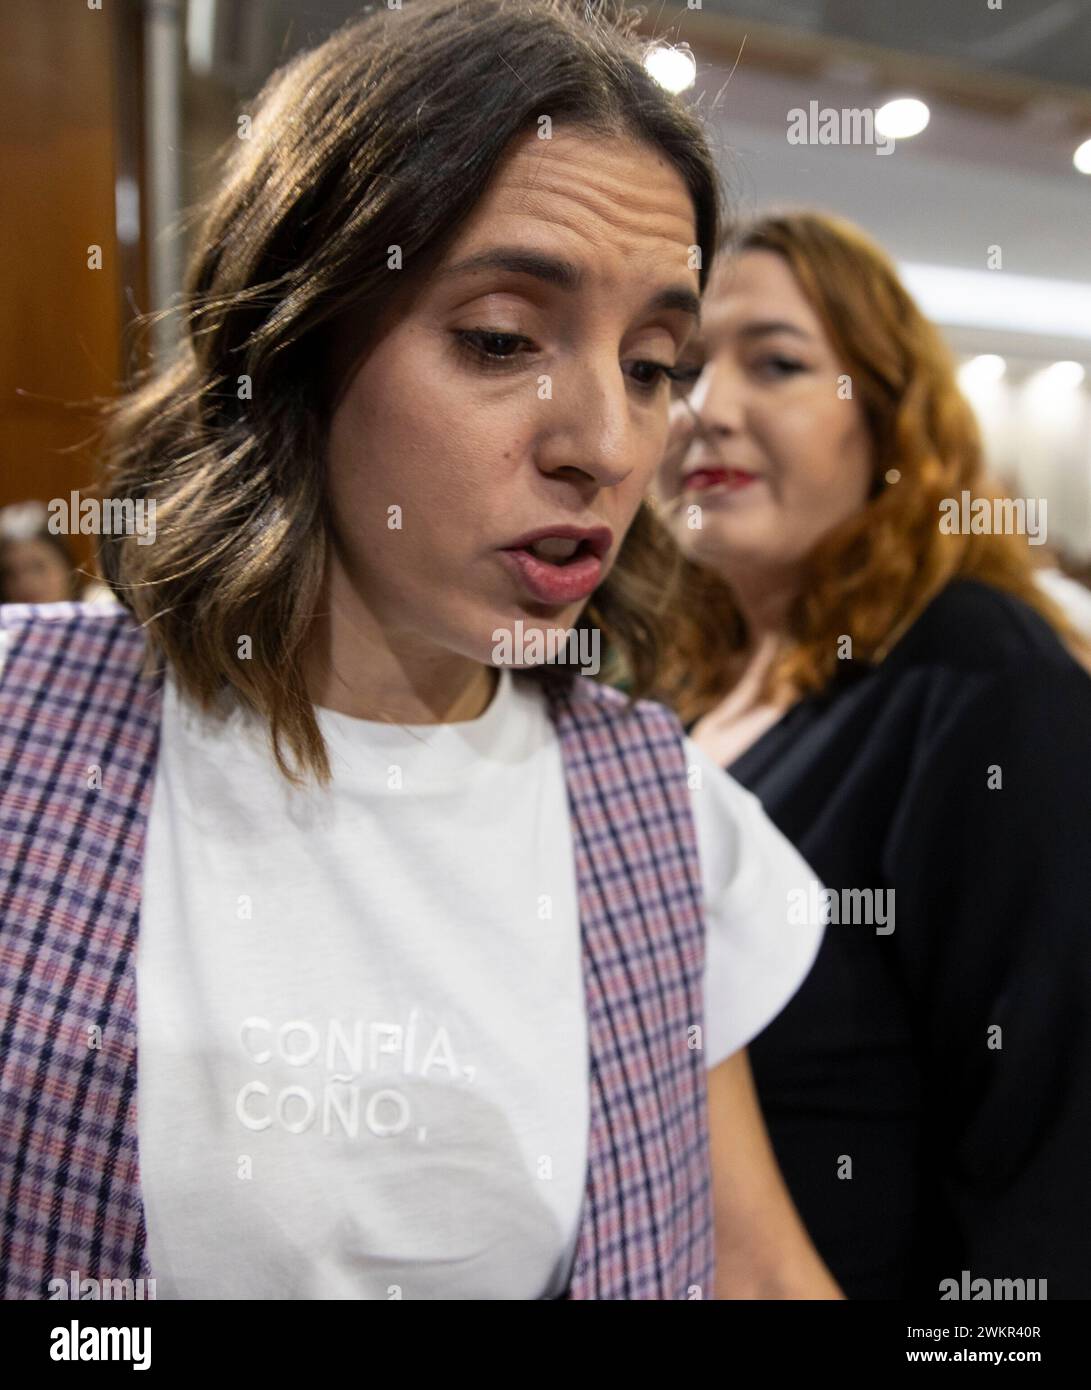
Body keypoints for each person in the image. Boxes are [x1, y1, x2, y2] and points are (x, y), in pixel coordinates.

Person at [0, 2, 839, 1301]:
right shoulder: (25, 723)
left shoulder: (662, 825)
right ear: (293, 336)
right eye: (500, 339)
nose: (606, 444)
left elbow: (756, 1269)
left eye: (654, 361)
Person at [653, 209, 1091, 1300]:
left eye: (777, 363)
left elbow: (1050, 1147)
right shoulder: (675, 691)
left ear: (888, 419)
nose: (706, 409)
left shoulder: (983, 681)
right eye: (676, 367)